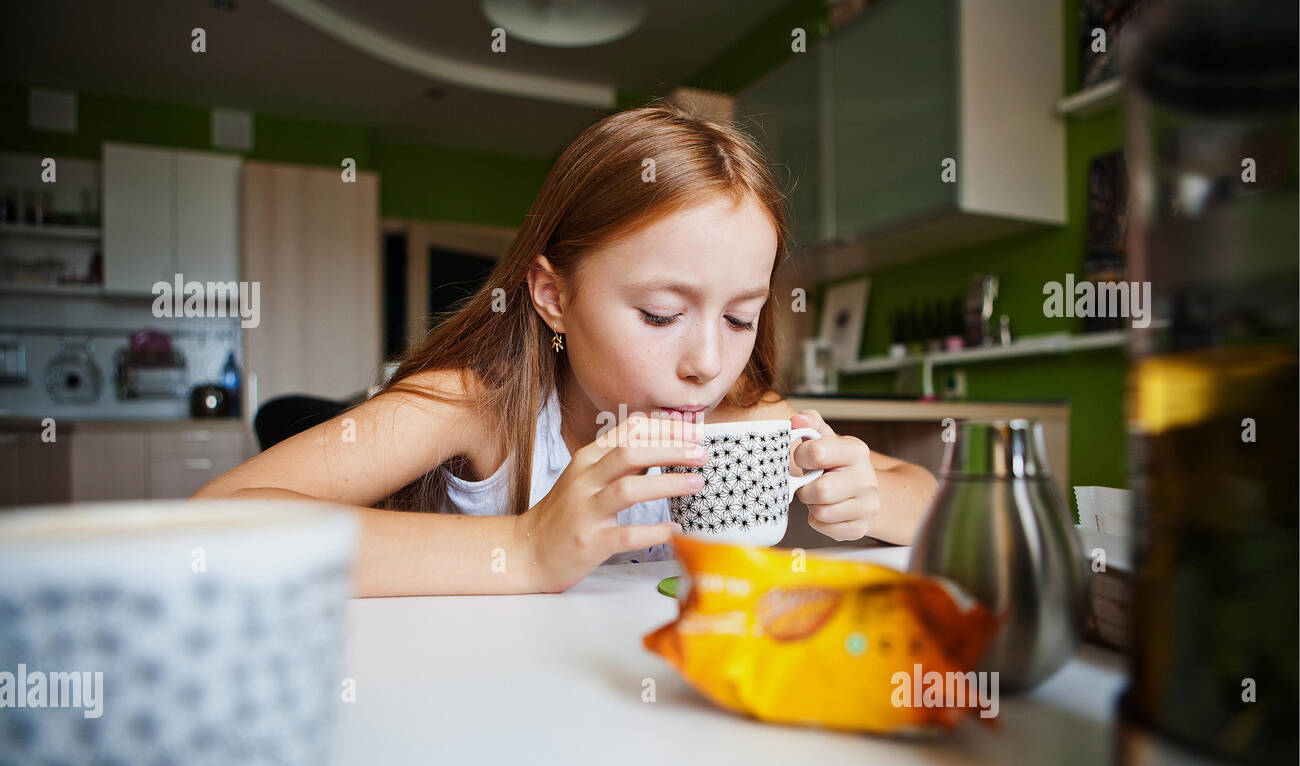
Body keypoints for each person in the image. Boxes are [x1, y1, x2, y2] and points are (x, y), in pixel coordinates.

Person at [194, 102, 937, 597]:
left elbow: (927, 499)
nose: (706, 365)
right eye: (659, 314)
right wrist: (523, 547)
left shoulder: (733, 416)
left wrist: (859, 491)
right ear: (553, 295)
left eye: (741, 320)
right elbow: (214, 524)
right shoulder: (479, 403)